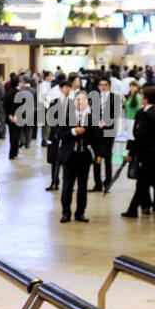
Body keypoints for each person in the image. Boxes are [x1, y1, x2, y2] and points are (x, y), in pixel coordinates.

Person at [122, 85, 155, 218]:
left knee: (153, 185)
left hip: (148, 155)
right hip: (154, 154)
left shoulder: (146, 114)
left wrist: (131, 153)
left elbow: (141, 136)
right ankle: (132, 209)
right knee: (144, 183)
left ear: (146, 99)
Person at [55, 92, 100, 223]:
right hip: (69, 156)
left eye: (83, 100)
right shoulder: (66, 117)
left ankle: (80, 213)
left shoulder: (92, 118)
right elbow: (58, 135)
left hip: (84, 156)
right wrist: (73, 131)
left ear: (87, 103)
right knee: (67, 186)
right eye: (78, 100)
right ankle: (66, 213)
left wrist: (99, 154)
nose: (80, 102)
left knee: (82, 187)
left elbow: (96, 139)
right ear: (74, 102)